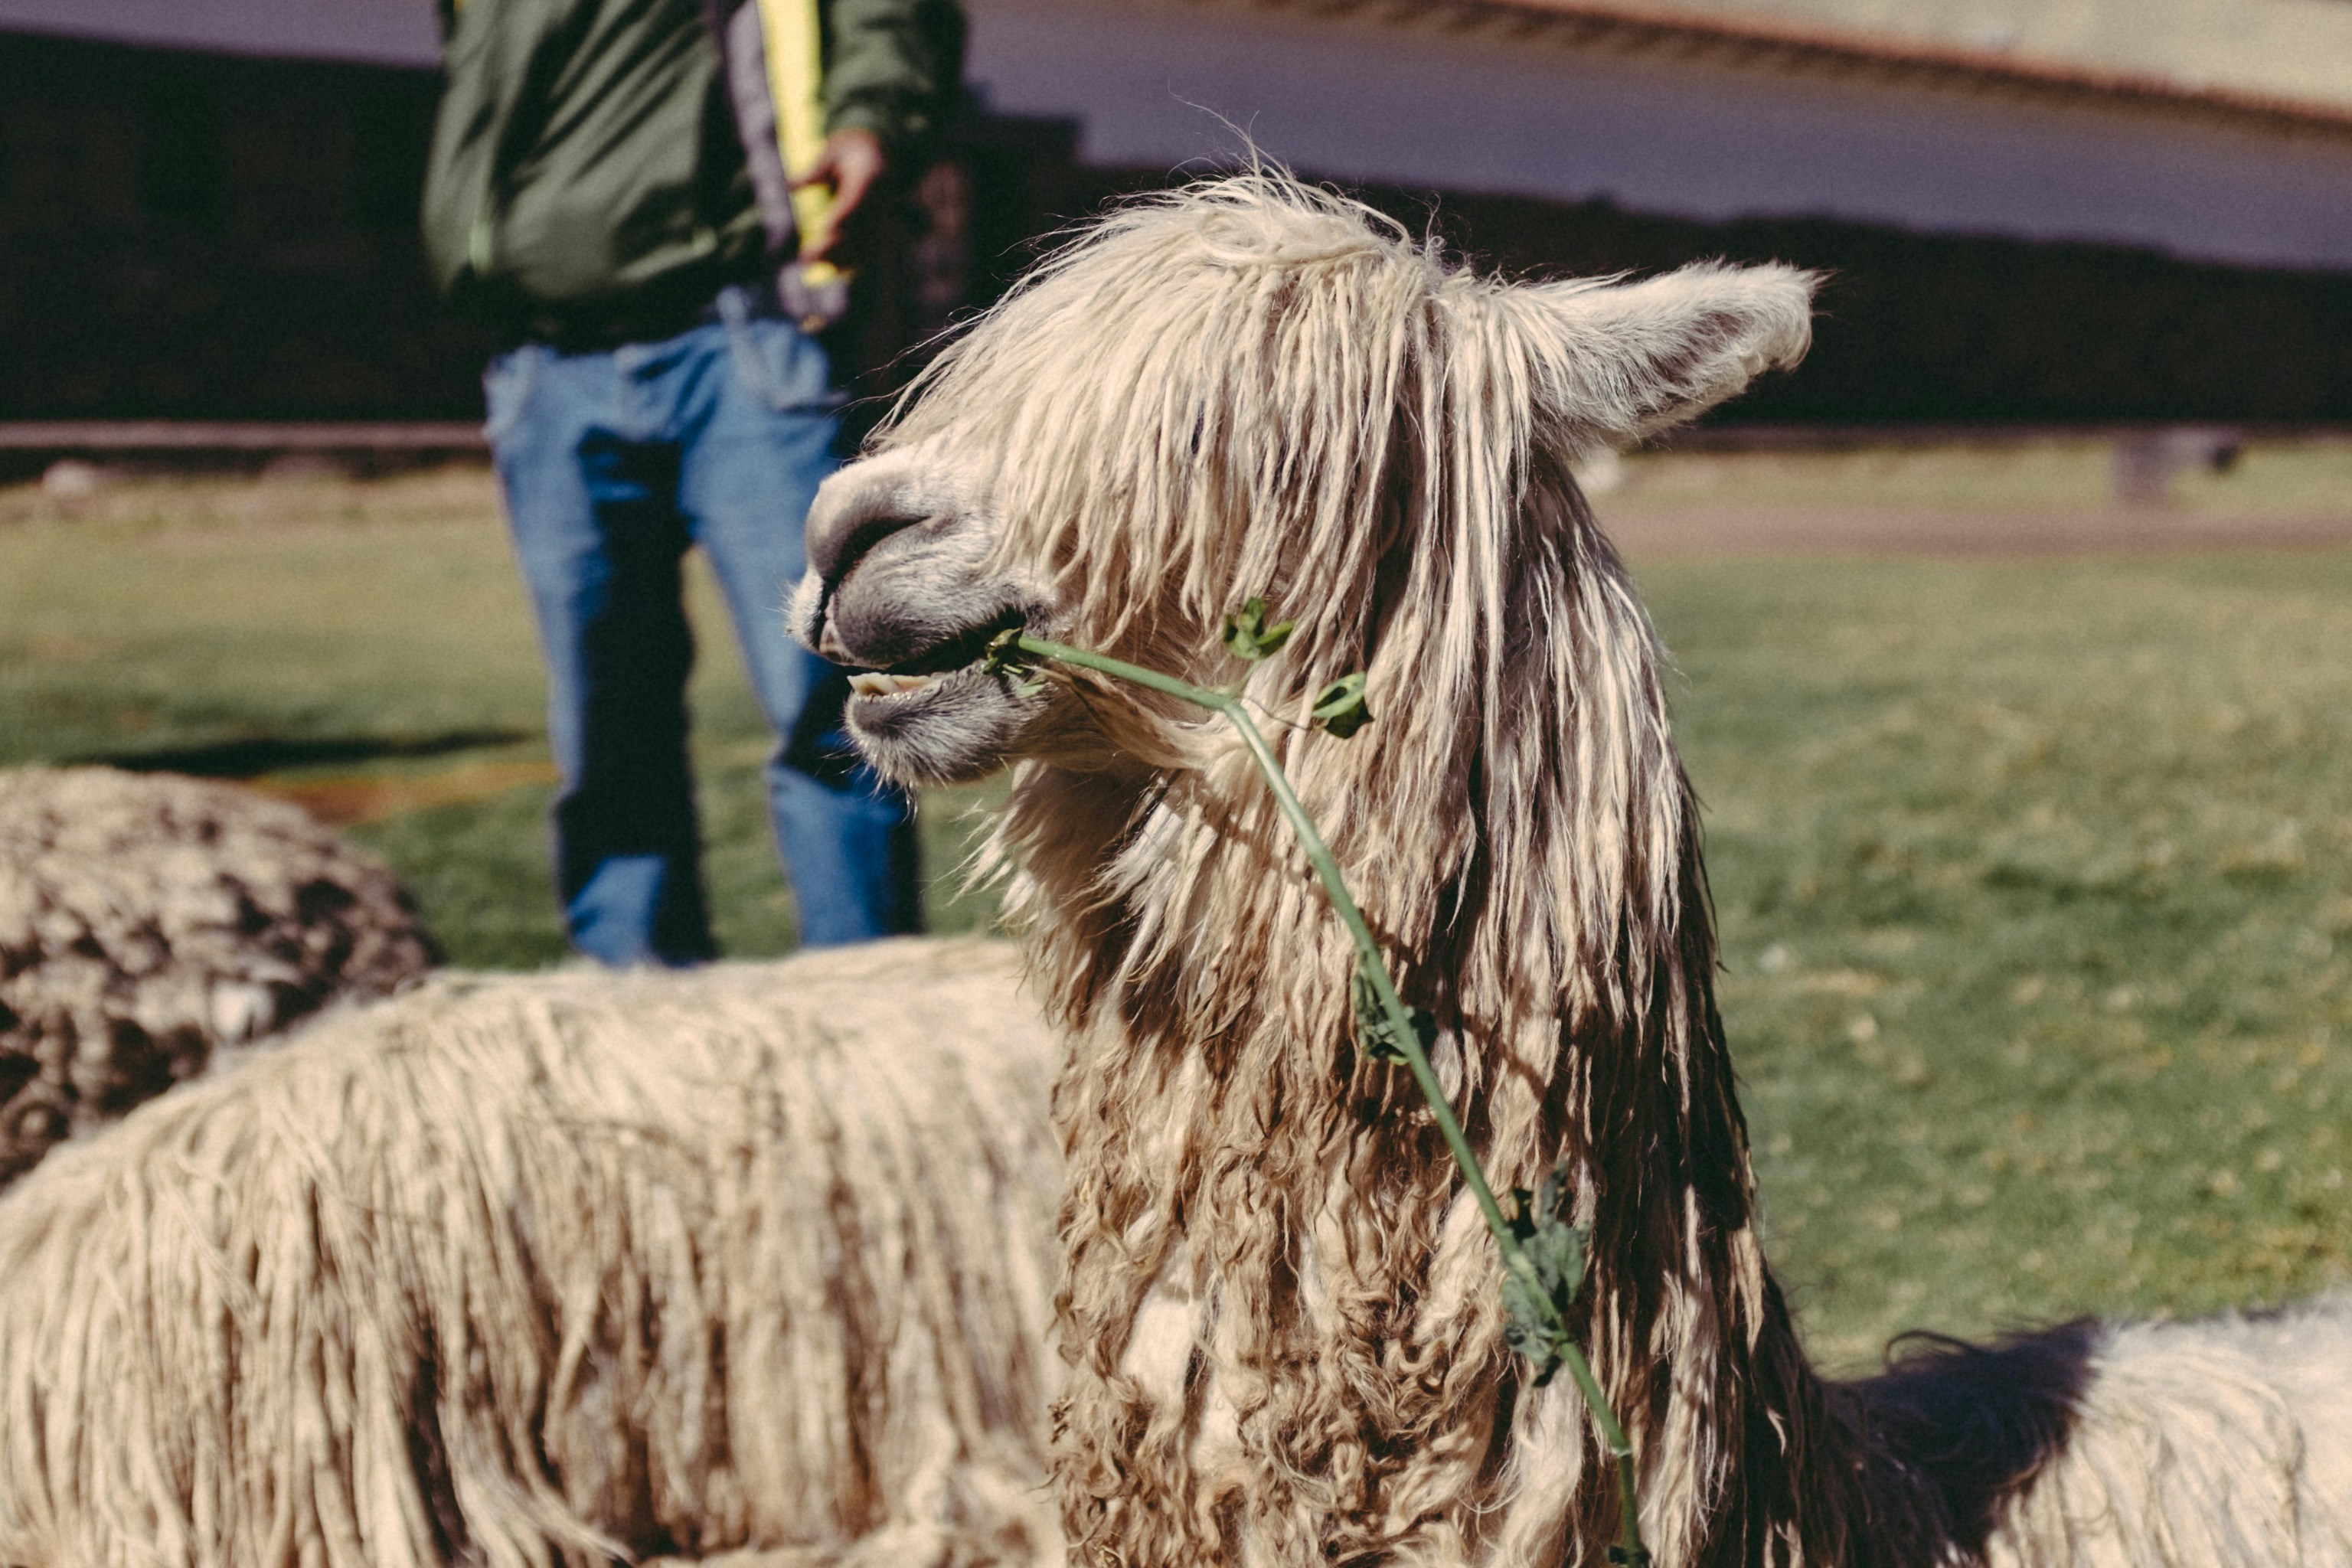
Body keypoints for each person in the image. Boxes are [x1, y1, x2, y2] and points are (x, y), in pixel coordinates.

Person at [422, 0, 964, 964]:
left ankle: (870, 1014)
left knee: (824, 697)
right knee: (603, 717)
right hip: (546, 363)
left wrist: (871, 117)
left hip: (740, 338)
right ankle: (643, 1014)